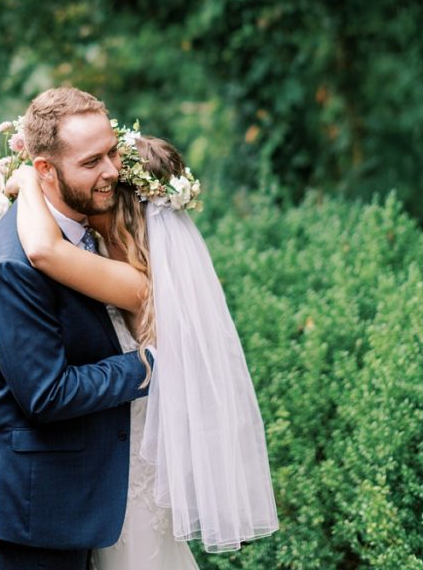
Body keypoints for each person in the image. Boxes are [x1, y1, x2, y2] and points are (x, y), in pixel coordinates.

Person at [15, 132, 279, 569]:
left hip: (126, 474)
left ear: (122, 207)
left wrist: (27, 179)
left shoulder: (135, 284)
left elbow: (45, 249)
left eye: (105, 187)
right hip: (119, 465)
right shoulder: (133, 269)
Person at [0, 87, 153, 570]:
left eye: (112, 152)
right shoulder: (13, 265)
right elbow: (47, 394)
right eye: (92, 162)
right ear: (44, 170)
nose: (112, 169)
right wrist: (145, 368)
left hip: (97, 486)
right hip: (41, 503)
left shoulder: (94, 230)